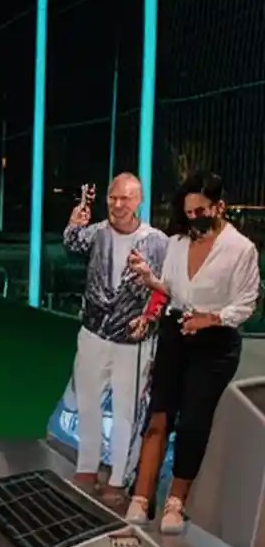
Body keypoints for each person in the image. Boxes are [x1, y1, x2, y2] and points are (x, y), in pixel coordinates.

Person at [124, 171, 259, 534]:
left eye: (200, 210)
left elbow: (245, 305)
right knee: (158, 418)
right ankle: (140, 498)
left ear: (219, 206)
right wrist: (151, 282)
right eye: (188, 212)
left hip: (215, 346)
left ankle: (175, 503)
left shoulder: (241, 249)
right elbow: (169, 289)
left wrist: (210, 318)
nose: (194, 217)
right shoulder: (177, 242)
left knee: (193, 423)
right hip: (174, 336)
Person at [61, 173, 169, 509]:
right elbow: (71, 243)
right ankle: (86, 469)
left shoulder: (157, 242)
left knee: (126, 411)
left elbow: (167, 289)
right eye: (113, 198)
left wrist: (149, 318)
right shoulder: (96, 233)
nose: (118, 205)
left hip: (132, 343)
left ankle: (119, 479)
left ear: (139, 201)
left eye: (125, 199)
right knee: (88, 402)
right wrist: (73, 222)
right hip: (93, 333)